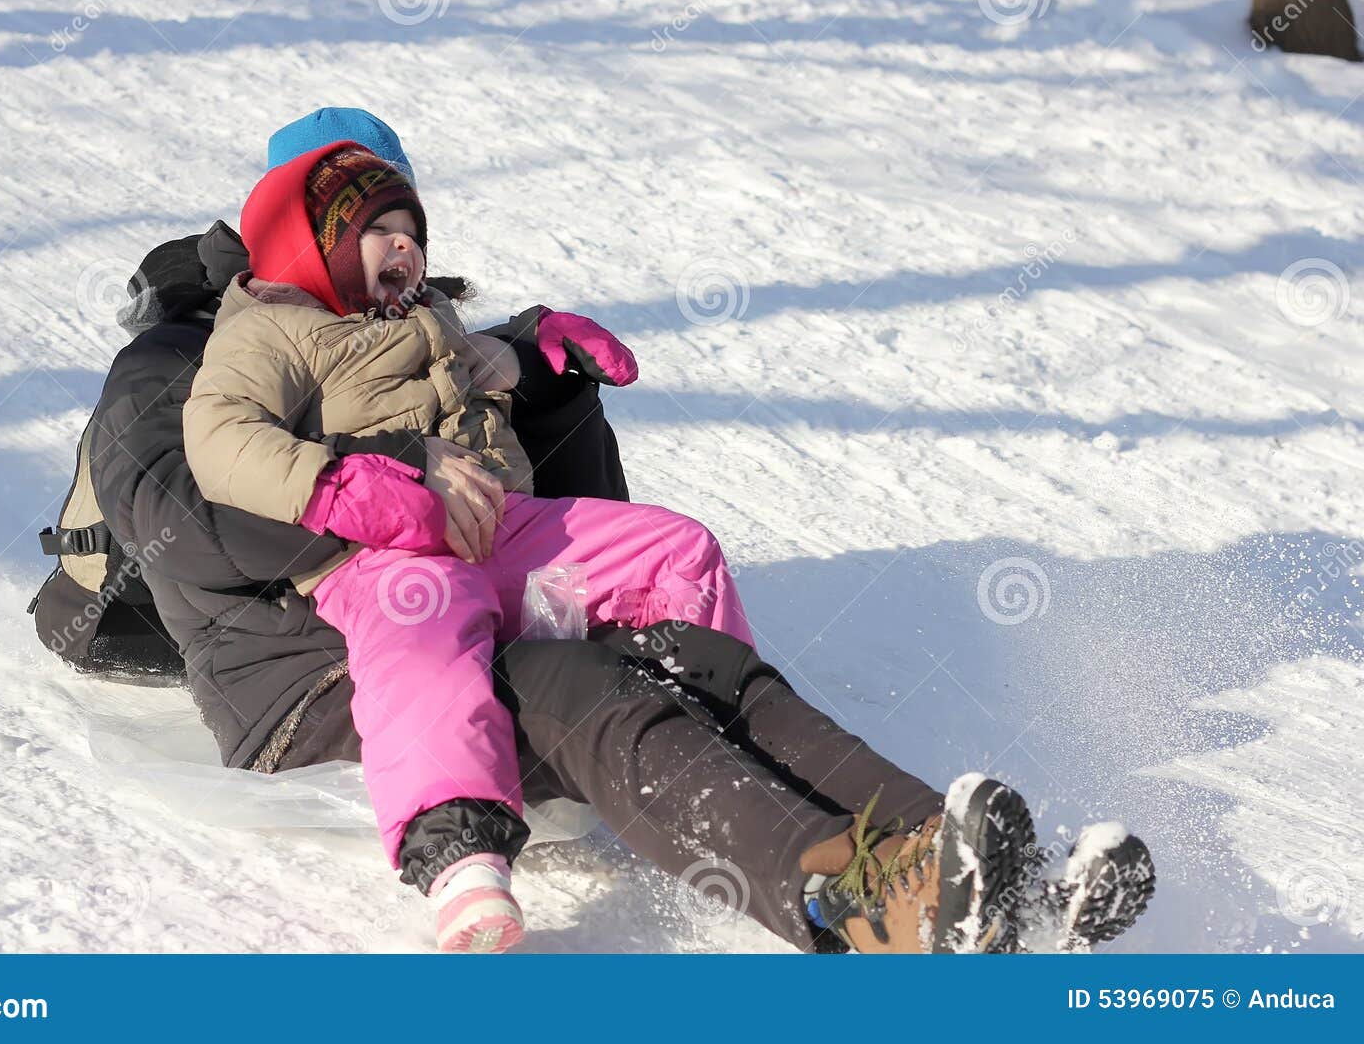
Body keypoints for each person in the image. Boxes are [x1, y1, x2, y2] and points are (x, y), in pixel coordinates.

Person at [89, 108, 1154, 954]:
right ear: (302, 226)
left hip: (468, 596)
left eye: (410, 218)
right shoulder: (179, 360)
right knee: (581, 686)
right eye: (373, 220)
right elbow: (188, 517)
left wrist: (539, 374)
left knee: (690, 662)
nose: (402, 247)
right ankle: (861, 903)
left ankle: (965, 864)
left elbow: (535, 493)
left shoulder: (414, 332)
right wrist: (392, 481)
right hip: (312, 676)